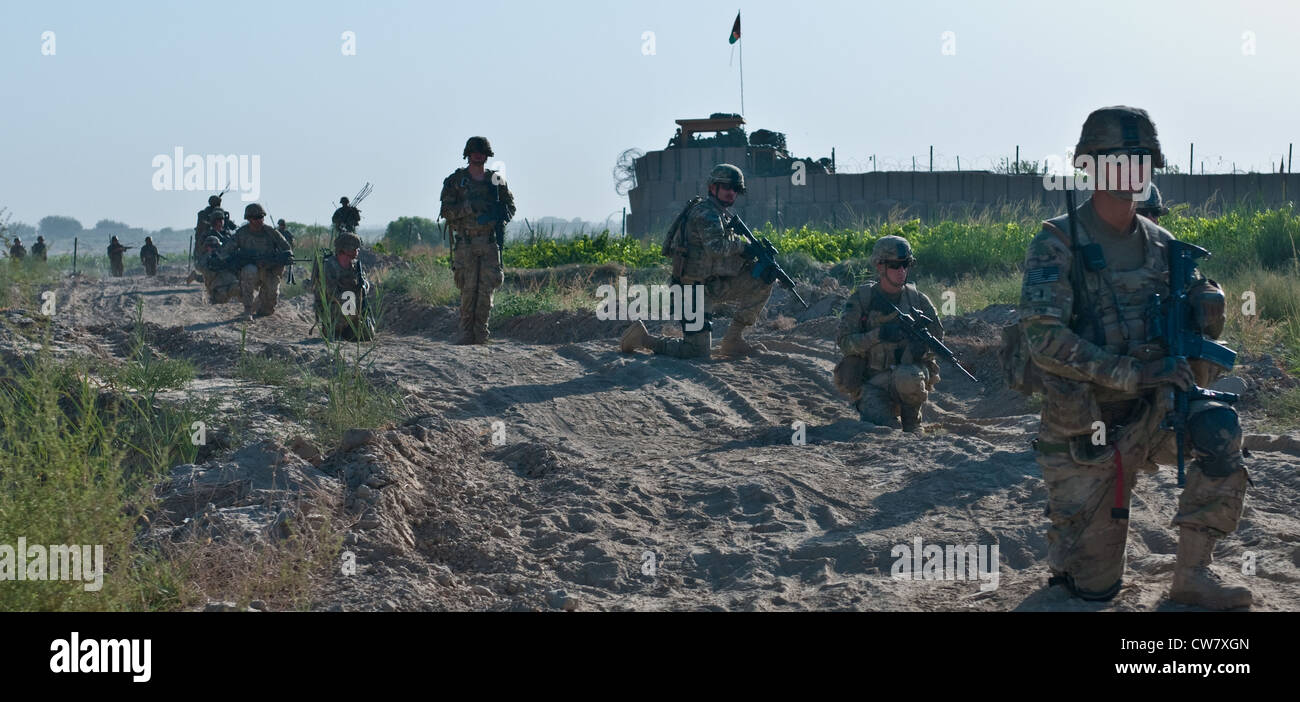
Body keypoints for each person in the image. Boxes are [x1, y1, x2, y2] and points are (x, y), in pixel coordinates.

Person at [1019, 105, 1250, 608]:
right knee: (1091, 588)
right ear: (1090, 165)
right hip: (1086, 430)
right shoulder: (1058, 242)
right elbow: (1043, 336)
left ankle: (1193, 573)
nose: (1131, 169)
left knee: (1220, 430)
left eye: (1141, 158)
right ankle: (1074, 552)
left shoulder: (1166, 246)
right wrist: (1131, 371)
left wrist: (1206, 310)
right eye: (1118, 158)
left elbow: (1189, 325)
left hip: (1154, 414)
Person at [620, 163, 773, 358]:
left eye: (736, 189)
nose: (731, 192)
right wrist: (743, 247)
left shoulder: (721, 215)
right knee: (696, 352)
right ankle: (643, 338)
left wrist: (751, 256)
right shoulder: (706, 212)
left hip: (712, 285)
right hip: (690, 293)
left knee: (764, 277)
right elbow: (716, 247)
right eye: (726, 187)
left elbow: (721, 254)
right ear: (712, 187)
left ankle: (733, 340)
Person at [835, 235, 942, 432]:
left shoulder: (917, 300)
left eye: (906, 264)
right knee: (885, 430)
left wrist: (921, 349)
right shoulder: (863, 300)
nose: (901, 271)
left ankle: (913, 423)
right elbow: (844, 342)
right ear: (880, 267)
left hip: (908, 378)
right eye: (895, 265)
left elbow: (936, 341)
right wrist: (878, 335)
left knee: (909, 376)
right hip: (873, 382)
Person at [439, 136, 516, 344]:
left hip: (489, 243)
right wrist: (469, 208)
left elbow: (510, 208)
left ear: (487, 155)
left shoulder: (496, 181)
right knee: (467, 290)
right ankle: (466, 333)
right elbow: (445, 211)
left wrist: (498, 215)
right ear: (468, 154)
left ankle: (481, 332)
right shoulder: (456, 181)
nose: (478, 155)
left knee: (486, 291)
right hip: (466, 243)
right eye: (474, 152)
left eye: (481, 152)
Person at [219, 203, 292, 321]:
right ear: (248, 219)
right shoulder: (241, 233)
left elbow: (286, 247)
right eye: (255, 218)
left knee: (267, 310)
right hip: (250, 269)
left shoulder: (271, 232)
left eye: (261, 217)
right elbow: (226, 251)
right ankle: (247, 309)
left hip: (269, 270)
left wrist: (283, 257)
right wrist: (230, 260)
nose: (259, 220)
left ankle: (259, 302)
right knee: (249, 271)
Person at [312, 231, 375, 341]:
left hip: (353, 309)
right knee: (347, 300)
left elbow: (365, 283)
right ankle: (333, 330)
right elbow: (331, 292)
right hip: (333, 308)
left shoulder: (356, 266)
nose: (357, 251)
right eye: (354, 248)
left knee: (367, 335)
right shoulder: (329, 266)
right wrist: (351, 296)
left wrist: (364, 286)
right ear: (345, 249)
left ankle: (347, 331)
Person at [197, 235, 239, 304]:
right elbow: (203, 270)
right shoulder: (205, 259)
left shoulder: (223, 255)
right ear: (207, 247)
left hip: (230, 283)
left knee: (240, 288)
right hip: (217, 288)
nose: (214, 249)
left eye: (216, 246)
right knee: (221, 298)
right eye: (212, 247)